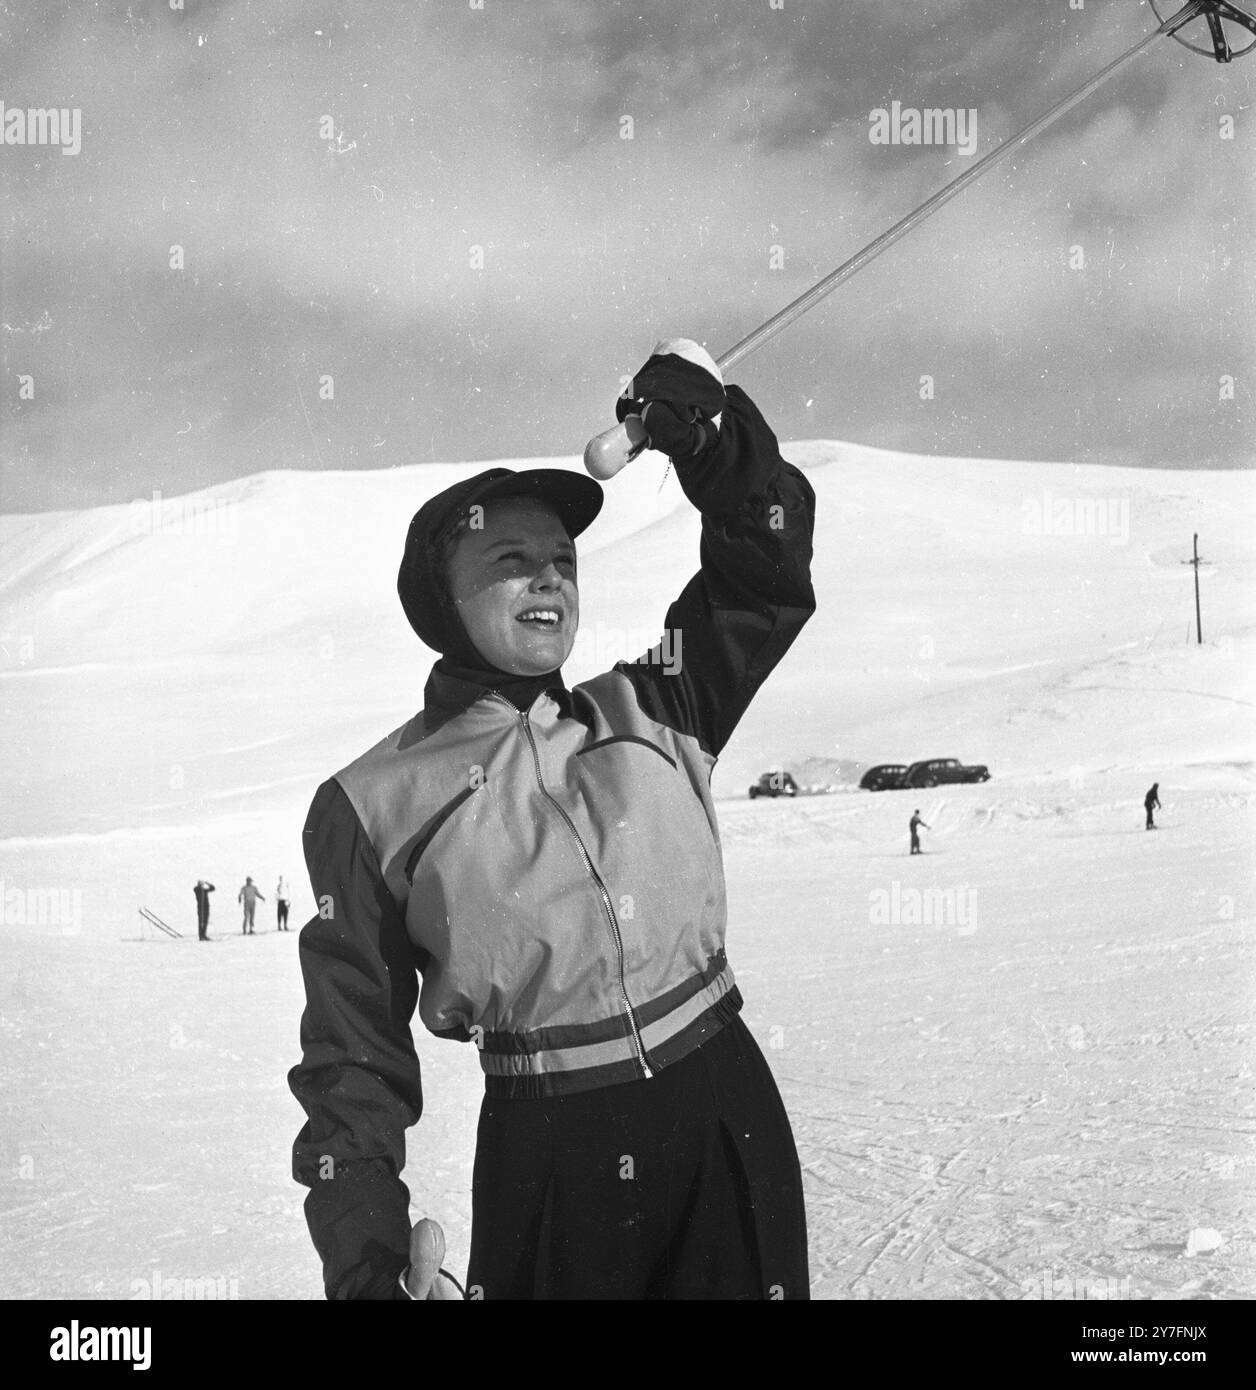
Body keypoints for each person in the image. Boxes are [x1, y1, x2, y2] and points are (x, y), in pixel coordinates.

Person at [288, 338, 816, 1301]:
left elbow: (765, 571)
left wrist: (711, 444)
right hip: (552, 1161)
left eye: (563, 561)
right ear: (442, 598)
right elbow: (350, 1067)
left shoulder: (657, 704)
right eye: (513, 560)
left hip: (724, 1116)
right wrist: (367, 1271)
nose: (550, 579)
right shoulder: (369, 804)